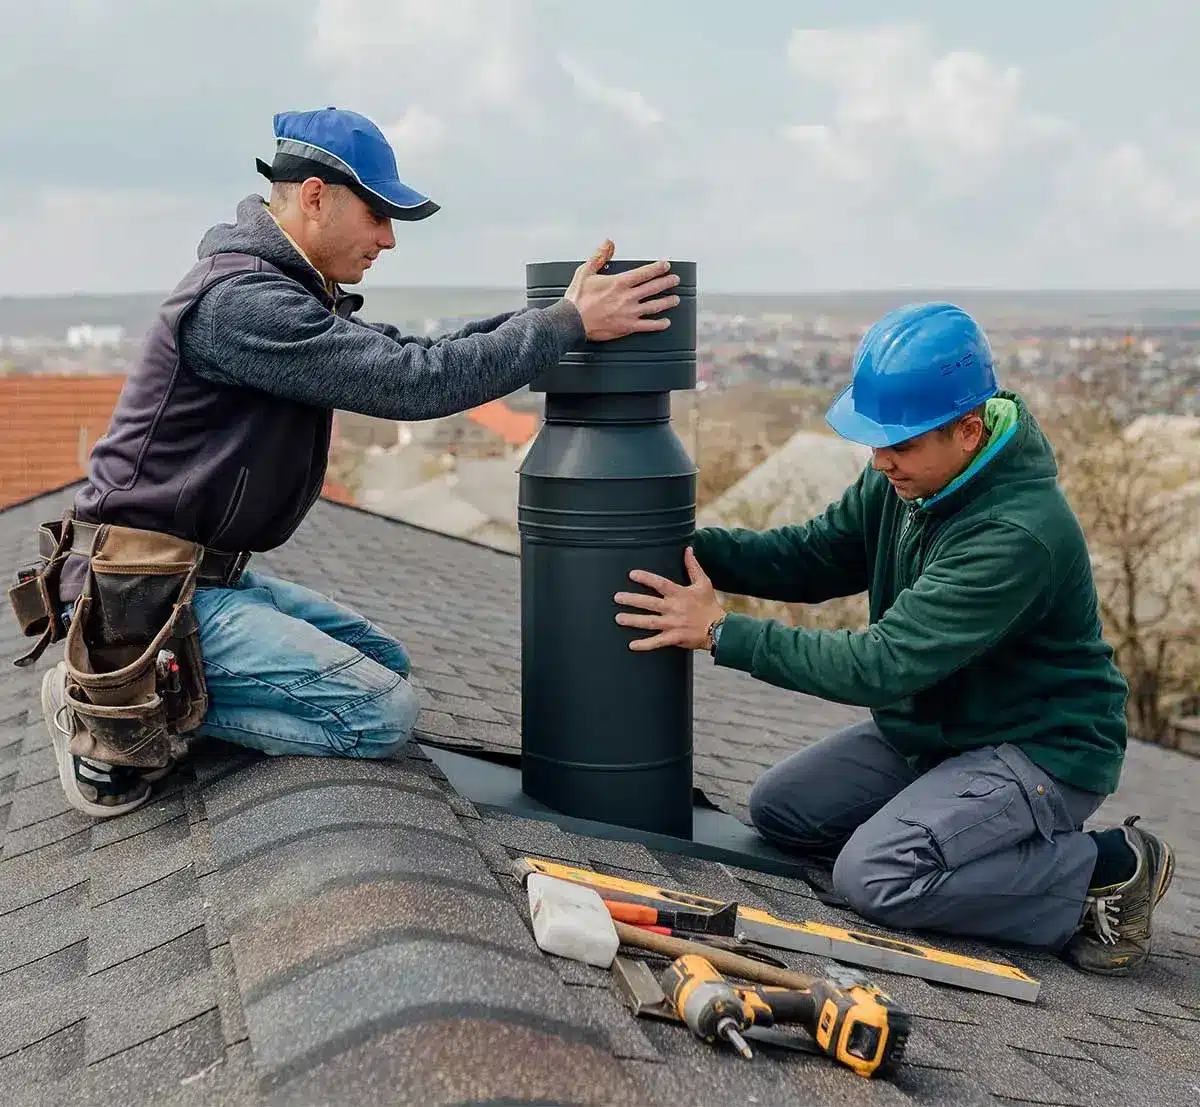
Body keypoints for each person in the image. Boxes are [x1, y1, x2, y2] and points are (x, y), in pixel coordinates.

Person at [38, 106, 681, 819]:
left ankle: (153, 688)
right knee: (380, 710)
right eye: (378, 215)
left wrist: (554, 314)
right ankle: (109, 708)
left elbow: (412, 352)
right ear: (315, 196)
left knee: (386, 662)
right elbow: (416, 382)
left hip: (196, 583)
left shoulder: (283, 292)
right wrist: (569, 324)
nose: (388, 239)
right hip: (142, 598)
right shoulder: (241, 304)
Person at [614, 301, 1175, 976]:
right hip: (941, 734)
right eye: (876, 442)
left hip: (1040, 752)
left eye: (899, 445)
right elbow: (816, 556)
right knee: (782, 809)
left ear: (968, 431)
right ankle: (962, 831)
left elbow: (880, 665)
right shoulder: (911, 479)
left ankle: (1100, 870)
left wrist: (720, 632)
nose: (881, 461)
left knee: (875, 877)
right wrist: (684, 548)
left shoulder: (1015, 534)